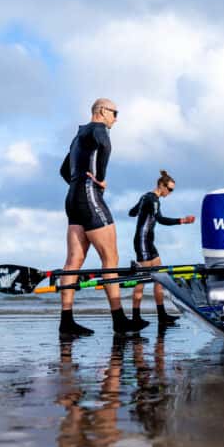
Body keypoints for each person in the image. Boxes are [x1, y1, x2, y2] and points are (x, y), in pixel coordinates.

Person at [58, 99, 139, 337]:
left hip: (72, 197)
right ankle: (119, 320)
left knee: (73, 261)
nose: (116, 118)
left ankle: (66, 322)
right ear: (102, 111)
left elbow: (64, 170)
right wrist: (99, 180)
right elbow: (105, 147)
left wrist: (78, 184)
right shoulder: (99, 129)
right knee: (110, 258)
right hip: (88, 195)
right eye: (115, 112)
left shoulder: (78, 136)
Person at [128, 170, 196, 329]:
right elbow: (161, 219)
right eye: (170, 189)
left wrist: (139, 210)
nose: (170, 193)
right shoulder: (153, 200)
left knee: (160, 276)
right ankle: (136, 317)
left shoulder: (147, 197)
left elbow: (131, 212)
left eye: (172, 190)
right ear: (161, 185)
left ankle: (162, 315)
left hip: (147, 241)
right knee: (141, 280)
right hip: (143, 242)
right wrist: (183, 220)